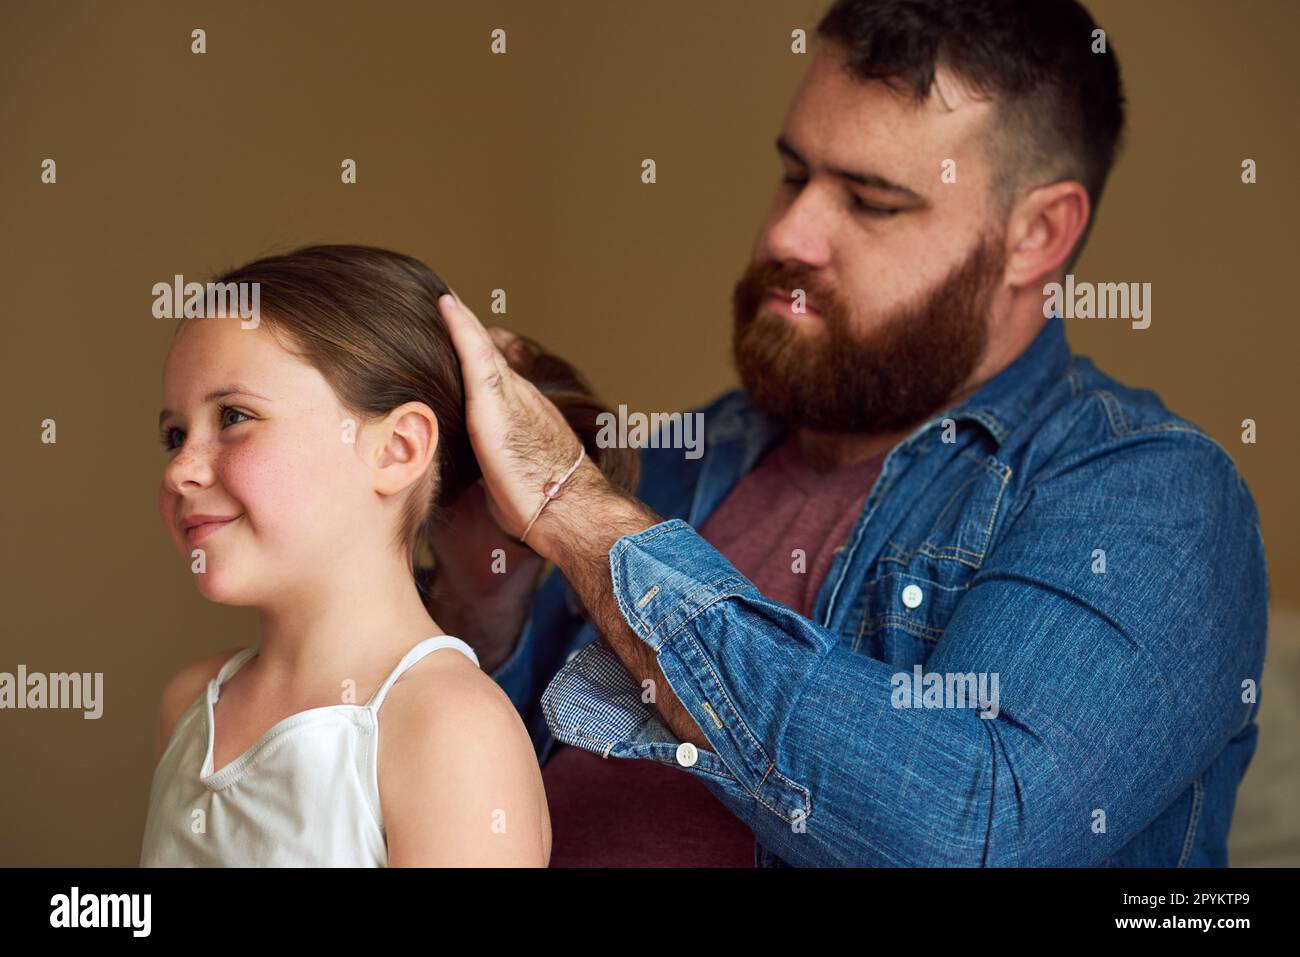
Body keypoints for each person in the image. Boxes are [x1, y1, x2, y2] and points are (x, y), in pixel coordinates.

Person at [429, 0, 1268, 866]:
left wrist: (577, 511)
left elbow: (970, 833)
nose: (790, 234)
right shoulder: (690, 454)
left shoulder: (1153, 492)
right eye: (794, 177)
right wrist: (484, 596)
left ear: (1037, 234)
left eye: (871, 202)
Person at [141, 244, 635, 866]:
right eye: (175, 435)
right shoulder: (191, 702)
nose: (181, 470)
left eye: (234, 416)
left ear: (397, 449)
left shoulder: (451, 731)